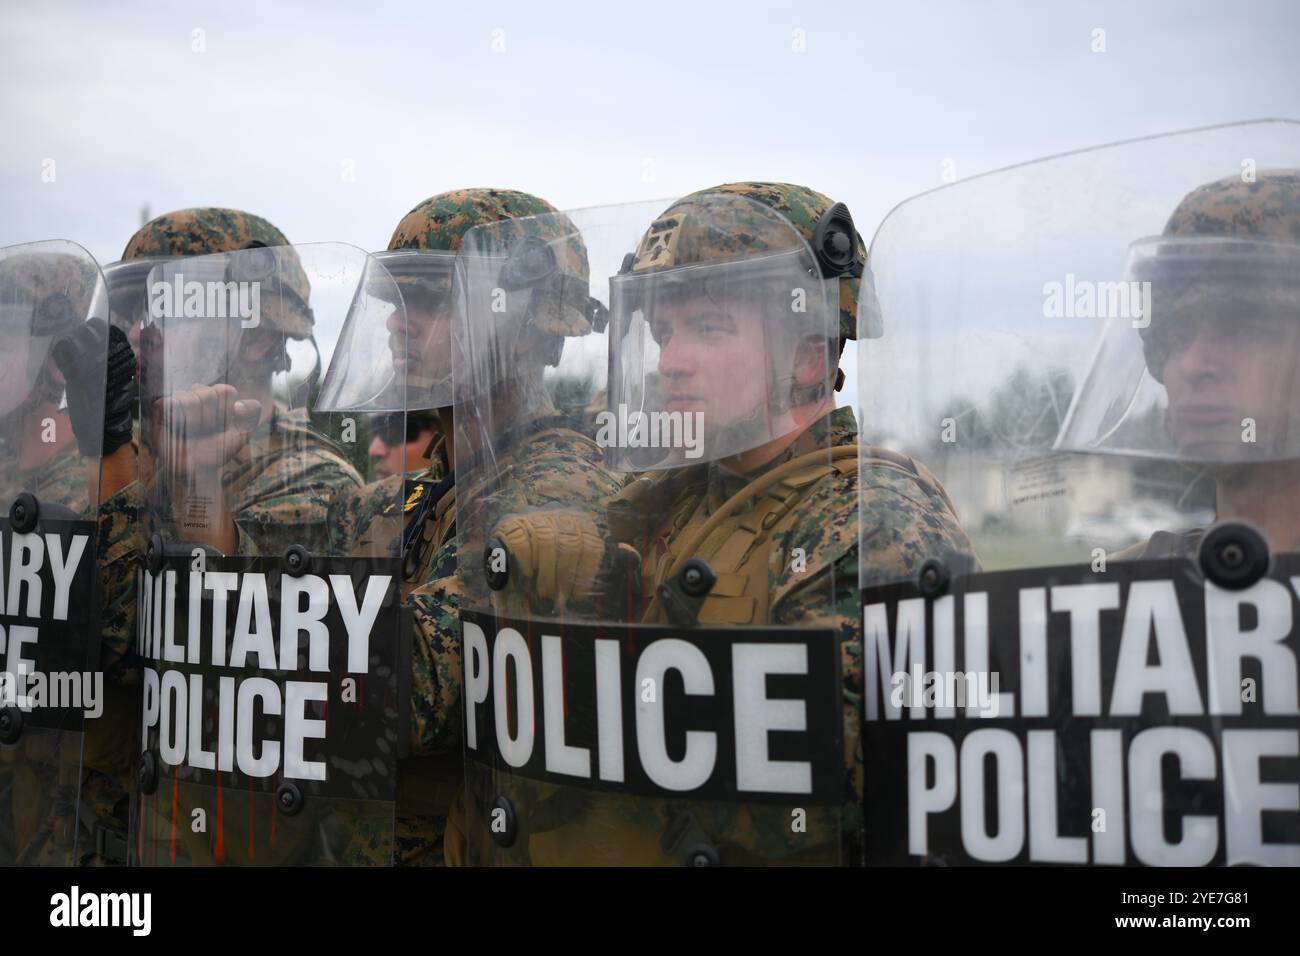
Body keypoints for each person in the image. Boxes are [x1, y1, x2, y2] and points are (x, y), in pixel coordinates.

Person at [470, 183, 972, 864]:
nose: (671, 360)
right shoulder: (671, 495)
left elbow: (837, 775)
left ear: (808, 356)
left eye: (709, 329)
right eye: (665, 332)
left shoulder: (871, 515)